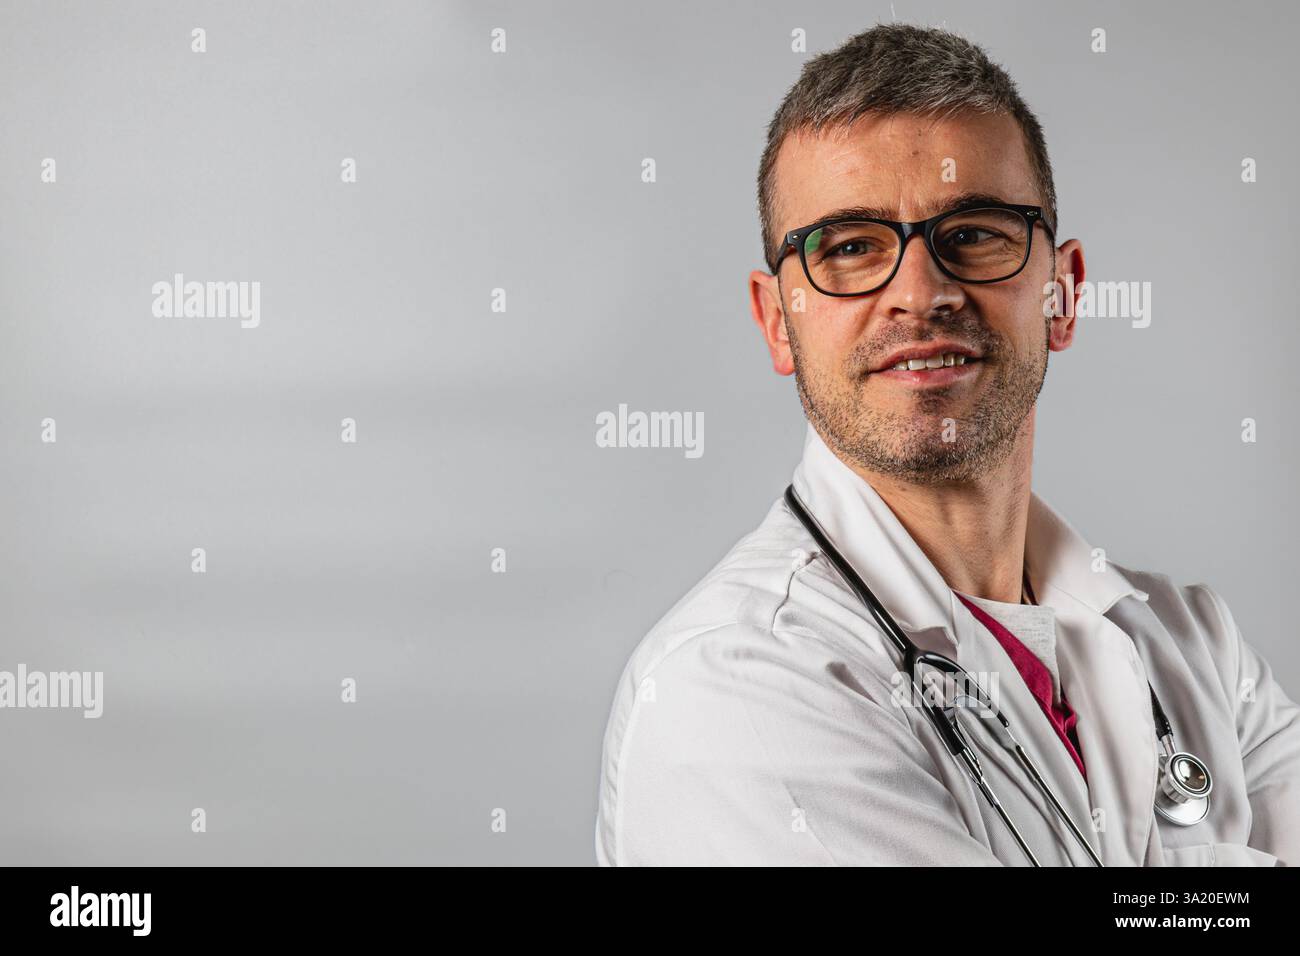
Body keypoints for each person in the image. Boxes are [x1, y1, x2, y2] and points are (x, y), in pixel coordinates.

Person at [593, 23, 1300, 866]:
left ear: (1063, 295)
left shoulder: (1193, 645)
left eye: (974, 233)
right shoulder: (733, 682)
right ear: (777, 321)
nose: (920, 294)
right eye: (850, 249)